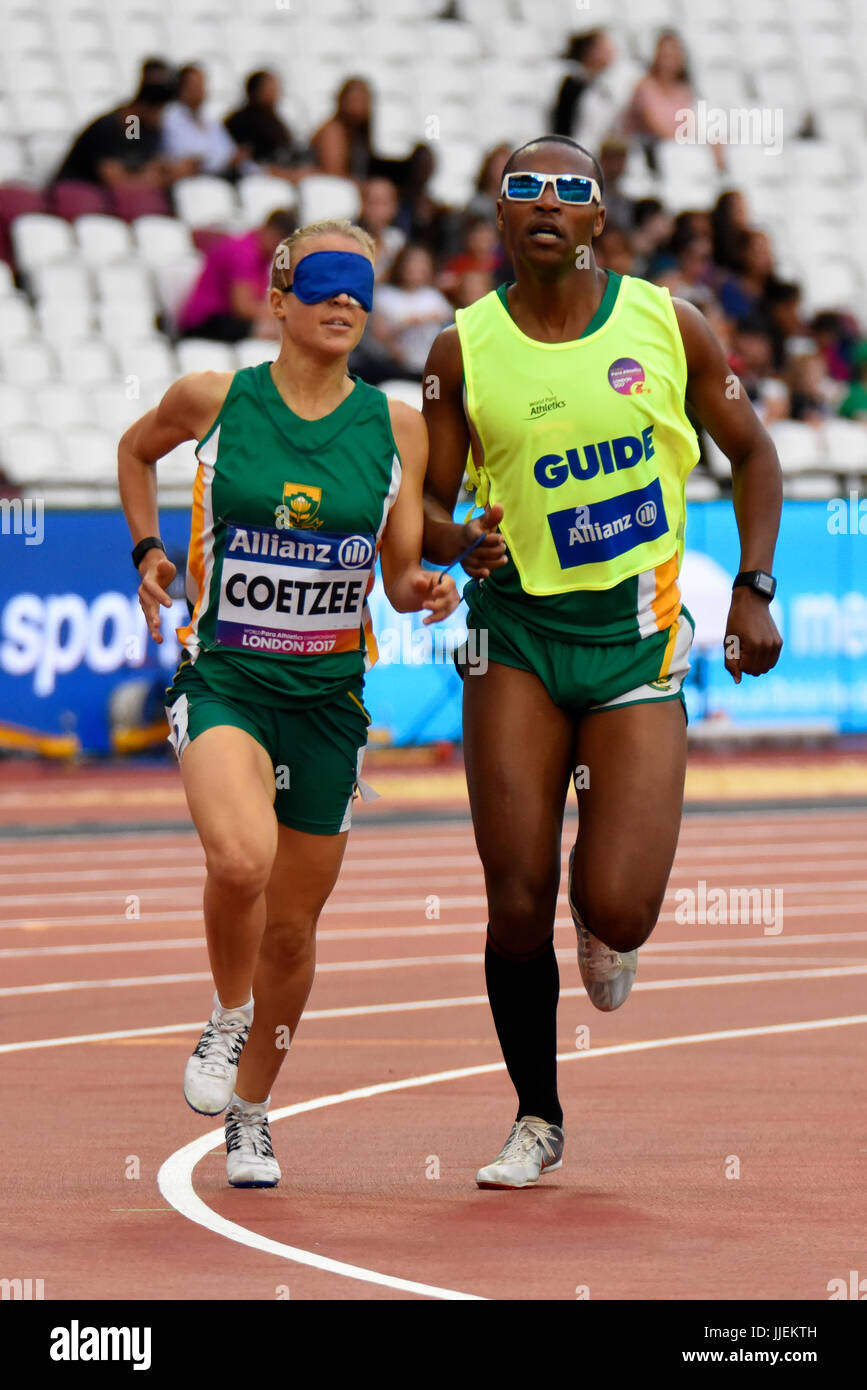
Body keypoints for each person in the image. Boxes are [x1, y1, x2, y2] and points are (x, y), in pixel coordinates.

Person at [421, 135, 783, 1189]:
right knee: (515, 891)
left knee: (617, 904)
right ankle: (537, 1114)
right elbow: (434, 510)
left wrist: (755, 588)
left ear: (596, 224)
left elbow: (754, 453)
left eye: (568, 190)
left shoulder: (666, 325)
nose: (545, 202)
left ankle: (608, 922)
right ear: (497, 220)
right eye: (521, 189)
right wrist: (457, 542)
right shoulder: (462, 351)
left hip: (634, 644)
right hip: (518, 637)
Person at [118, 218, 459, 1188]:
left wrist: (424, 590)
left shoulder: (398, 426)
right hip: (226, 676)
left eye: (361, 285)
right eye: (325, 283)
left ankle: (254, 1113)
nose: (346, 300)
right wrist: (146, 552)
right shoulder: (214, 398)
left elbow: (397, 577)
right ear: (279, 299)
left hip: (329, 703)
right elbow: (133, 455)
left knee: (295, 931)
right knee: (241, 856)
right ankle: (227, 1014)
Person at [177, 208, 297, 341]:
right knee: (274, 332)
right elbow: (243, 307)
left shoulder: (261, 256)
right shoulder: (243, 252)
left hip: (226, 319)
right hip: (205, 323)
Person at [52, 79, 176, 191]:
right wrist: (150, 180)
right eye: (159, 110)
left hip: (113, 200)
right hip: (79, 191)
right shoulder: (106, 128)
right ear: (143, 107)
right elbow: (115, 181)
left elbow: (150, 168)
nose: (161, 118)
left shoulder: (146, 129)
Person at [371, 243, 453, 377]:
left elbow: (451, 324)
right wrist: (404, 325)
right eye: (411, 262)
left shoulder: (433, 296)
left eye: (422, 263)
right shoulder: (383, 296)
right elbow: (377, 336)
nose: (416, 268)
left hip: (429, 368)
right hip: (395, 368)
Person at [160, 64, 241, 178]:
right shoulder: (169, 117)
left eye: (203, 84)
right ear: (181, 88)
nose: (202, 89)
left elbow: (230, 153)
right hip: (185, 181)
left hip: (218, 178)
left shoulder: (211, 121)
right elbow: (184, 156)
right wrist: (215, 160)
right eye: (196, 84)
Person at [225, 70, 298, 173]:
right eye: (271, 89)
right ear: (256, 90)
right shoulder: (241, 121)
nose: (276, 93)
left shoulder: (274, 119)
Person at [550, 30, 616, 139]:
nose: (611, 51)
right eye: (605, 47)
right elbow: (563, 124)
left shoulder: (602, 85)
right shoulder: (572, 84)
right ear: (590, 51)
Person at [311, 77, 372, 180]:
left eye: (363, 101)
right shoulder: (333, 131)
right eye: (354, 100)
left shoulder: (359, 131)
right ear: (341, 101)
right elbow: (333, 175)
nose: (358, 106)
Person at [358, 177, 406, 280]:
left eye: (384, 203)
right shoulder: (346, 240)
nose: (378, 210)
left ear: (395, 207)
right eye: (373, 202)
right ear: (362, 205)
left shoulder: (398, 241)